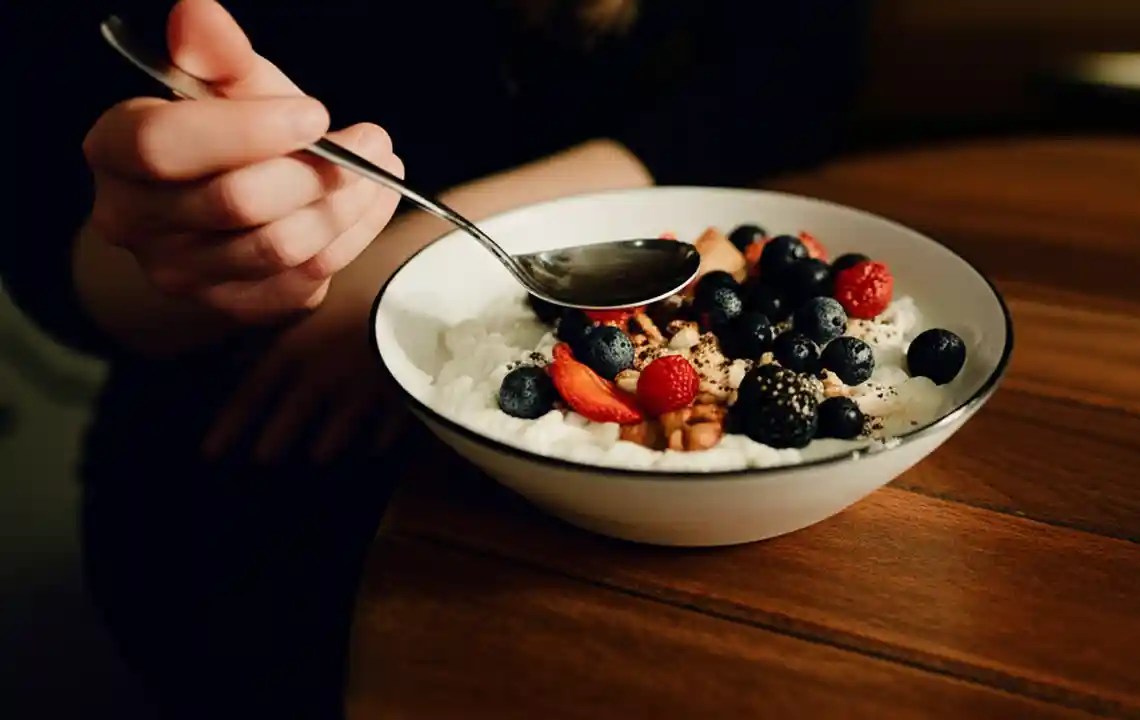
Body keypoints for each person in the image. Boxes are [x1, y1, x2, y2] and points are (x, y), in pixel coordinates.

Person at [4, 0, 869, 715]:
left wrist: (429, 252)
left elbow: (794, 78)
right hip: (257, 471)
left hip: (696, 551)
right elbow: (45, 233)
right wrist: (188, 252)